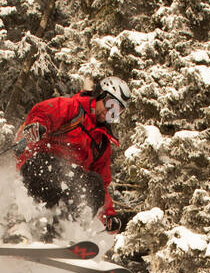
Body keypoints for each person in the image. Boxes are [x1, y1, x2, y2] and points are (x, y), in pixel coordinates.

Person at [13, 76, 131, 234]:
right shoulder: (73, 108)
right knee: (56, 170)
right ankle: (21, 224)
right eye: (109, 105)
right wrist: (38, 126)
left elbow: (102, 183)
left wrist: (108, 216)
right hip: (40, 166)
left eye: (116, 111)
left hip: (68, 181)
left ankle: (61, 232)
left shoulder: (102, 143)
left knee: (94, 185)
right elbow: (44, 111)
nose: (108, 113)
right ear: (99, 94)